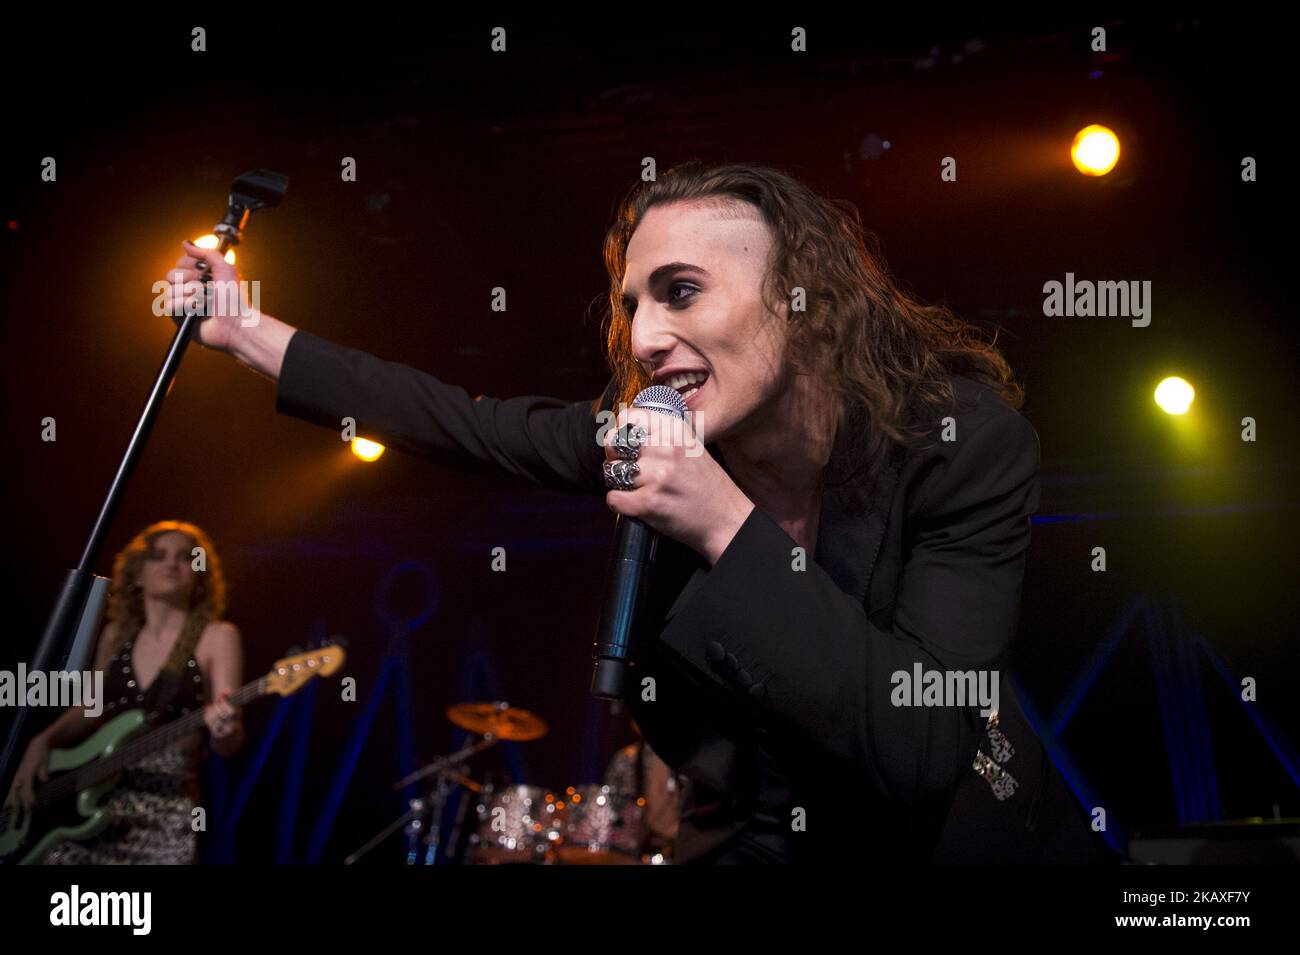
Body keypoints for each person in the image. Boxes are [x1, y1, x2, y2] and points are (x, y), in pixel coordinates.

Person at [160, 160, 1110, 864]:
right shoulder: (647, 442)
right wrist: (244, 330)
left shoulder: (957, 443)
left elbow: (917, 745)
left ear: (803, 299)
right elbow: (466, 422)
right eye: (633, 303)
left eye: (682, 292)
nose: (646, 337)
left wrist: (722, 524)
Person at [6, 521, 245, 863]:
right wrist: (42, 740)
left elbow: (229, 741)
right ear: (137, 573)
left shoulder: (218, 636)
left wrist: (226, 730)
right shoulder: (114, 636)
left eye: (185, 557)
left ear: (200, 575)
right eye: (158, 555)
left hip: (166, 809)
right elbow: (91, 708)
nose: (171, 564)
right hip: (94, 799)